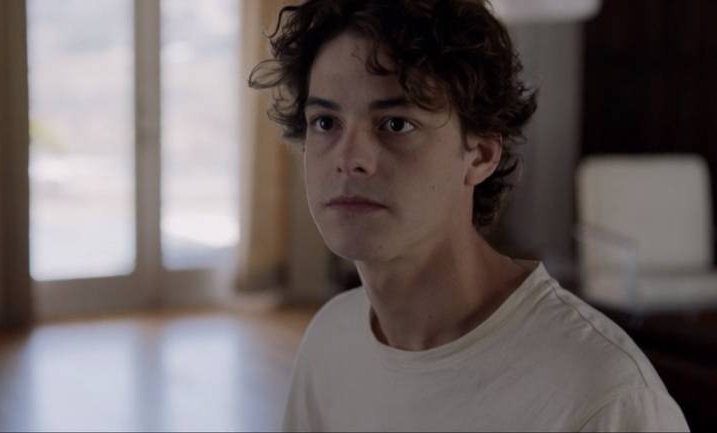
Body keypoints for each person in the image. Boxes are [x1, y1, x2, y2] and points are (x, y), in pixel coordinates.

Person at [248, 0, 690, 431]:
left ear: (480, 155)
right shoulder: (331, 339)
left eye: (396, 124)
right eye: (326, 122)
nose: (349, 160)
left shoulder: (605, 396)